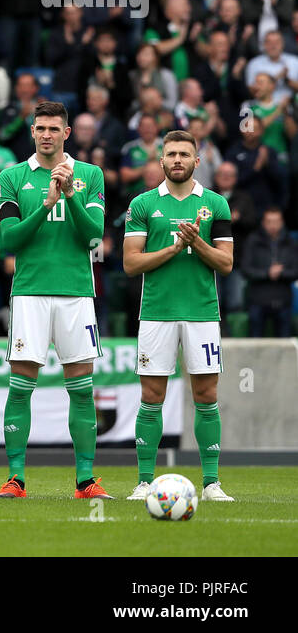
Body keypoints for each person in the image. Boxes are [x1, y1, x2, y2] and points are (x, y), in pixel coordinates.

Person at [0, 101, 108, 499]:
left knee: (81, 387)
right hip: (29, 292)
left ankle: (86, 481)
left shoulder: (90, 175)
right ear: (32, 132)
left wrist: (71, 194)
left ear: (66, 133)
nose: (46, 135)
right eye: (39, 128)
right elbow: (7, 241)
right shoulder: (12, 177)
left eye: (53, 129)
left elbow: (93, 239)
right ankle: (16, 478)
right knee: (21, 386)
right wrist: (45, 205)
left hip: (77, 292)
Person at [123, 130, 237, 503]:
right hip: (156, 313)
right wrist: (174, 247)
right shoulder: (142, 204)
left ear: (196, 161)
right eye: (170, 154)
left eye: (184, 154)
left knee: (206, 394)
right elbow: (130, 263)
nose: (177, 160)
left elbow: (226, 263)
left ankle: (211, 483)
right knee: (152, 395)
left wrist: (197, 242)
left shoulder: (216, 204)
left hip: (202, 313)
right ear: (160, 161)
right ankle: (143, 481)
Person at [240, 207, 298, 338]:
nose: (272, 225)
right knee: (255, 343)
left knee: (285, 345)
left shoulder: (291, 243)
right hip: (258, 300)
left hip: (283, 299)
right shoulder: (252, 241)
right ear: (263, 223)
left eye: (276, 221)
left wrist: (281, 272)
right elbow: (245, 270)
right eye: (269, 221)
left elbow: (295, 271)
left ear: (282, 222)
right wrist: (267, 273)